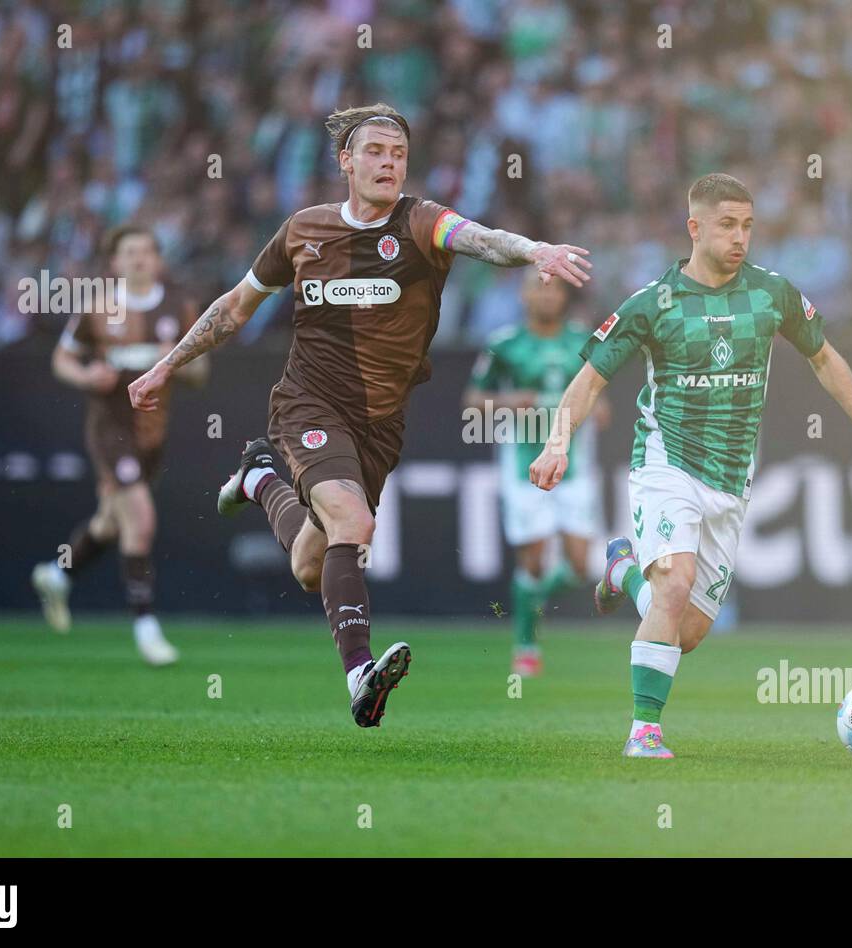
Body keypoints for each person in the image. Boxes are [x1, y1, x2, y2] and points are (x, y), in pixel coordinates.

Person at [126, 103, 592, 726]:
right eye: (374, 152)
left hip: (380, 424)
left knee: (310, 563)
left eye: (398, 154)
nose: (388, 164)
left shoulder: (422, 221)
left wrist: (535, 250)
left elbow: (480, 239)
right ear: (346, 160)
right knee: (353, 521)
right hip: (307, 402)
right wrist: (165, 365)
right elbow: (235, 308)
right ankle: (359, 677)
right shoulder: (303, 231)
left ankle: (260, 478)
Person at [529, 173, 852, 759]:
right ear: (695, 228)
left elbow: (824, 358)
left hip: (731, 479)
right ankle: (645, 731)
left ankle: (624, 572)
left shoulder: (771, 294)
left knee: (685, 631)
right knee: (677, 583)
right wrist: (558, 441)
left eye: (748, 226)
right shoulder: (654, 303)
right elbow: (589, 381)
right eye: (727, 225)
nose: (741, 238)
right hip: (667, 462)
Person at [32, 225, 203, 666]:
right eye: (129, 252)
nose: (139, 259)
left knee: (112, 523)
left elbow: (201, 374)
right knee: (141, 521)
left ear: (157, 259)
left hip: (151, 434)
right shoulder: (98, 308)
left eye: (146, 251)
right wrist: (86, 376)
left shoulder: (177, 307)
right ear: (115, 262)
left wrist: (177, 360)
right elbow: (62, 359)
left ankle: (57, 574)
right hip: (110, 429)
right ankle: (146, 629)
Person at [464, 270, 607, 677]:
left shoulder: (583, 340)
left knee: (581, 566)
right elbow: (472, 402)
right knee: (535, 559)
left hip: (575, 465)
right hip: (524, 464)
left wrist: (598, 409)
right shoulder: (504, 345)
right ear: (522, 296)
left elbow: (599, 396)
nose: (546, 296)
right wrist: (509, 401)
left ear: (564, 296)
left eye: (554, 288)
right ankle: (526, 645)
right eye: (537, 287)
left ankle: (530, 601)